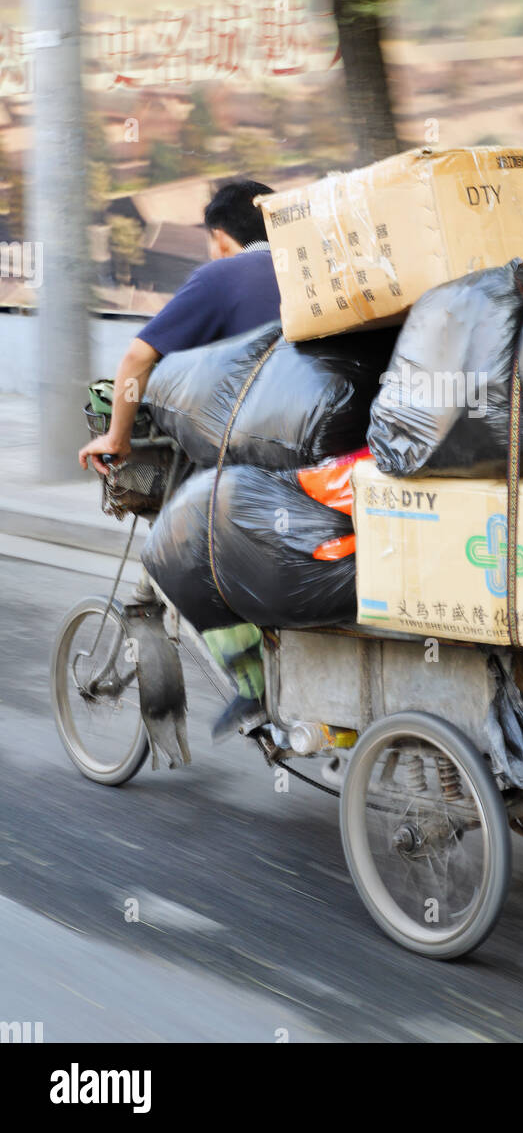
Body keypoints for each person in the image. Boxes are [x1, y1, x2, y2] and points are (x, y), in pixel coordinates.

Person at [79, 179, 280, 742]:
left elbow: (137, 358)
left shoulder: (221, 276)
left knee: (184, 556)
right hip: (343, 455)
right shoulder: (319, 268)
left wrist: (116, 436)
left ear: (220, 238)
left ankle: (253, 688)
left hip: (257, 465)